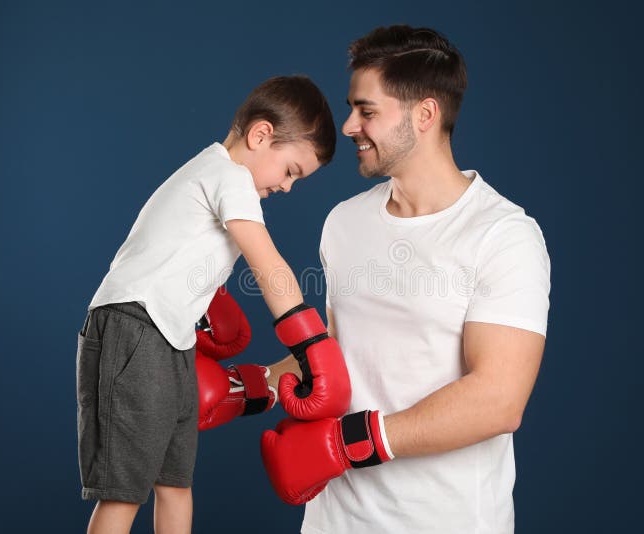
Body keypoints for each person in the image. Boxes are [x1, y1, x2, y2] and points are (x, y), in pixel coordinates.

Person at [261, 26, 551, 533]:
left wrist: (350, 442)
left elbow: (498, 399)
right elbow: (337, 350)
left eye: (366, 110)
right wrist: (247, 388)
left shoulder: (502, 235)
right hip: (335, 520)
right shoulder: (344, 222)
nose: (349, 125)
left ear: (425, 115)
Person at [76, 75, 351, 534]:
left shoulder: (214, 177)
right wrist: (312, 343)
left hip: (170, 337)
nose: (287, 187)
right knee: (124, 493)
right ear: (261, 135)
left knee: (175, 483)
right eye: (290, 171)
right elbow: (267, 263)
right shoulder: (227, 176)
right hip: (134, 327)